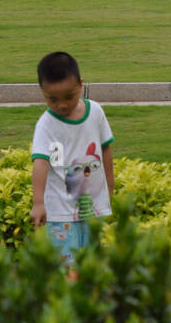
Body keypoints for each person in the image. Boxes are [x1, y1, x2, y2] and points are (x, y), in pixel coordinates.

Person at [30, 52, 115, 269]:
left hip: (94, 210)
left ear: (80, 85)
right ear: (42, 92)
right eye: (52, 99)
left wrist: (109, 188)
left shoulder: (95, 112)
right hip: (60, 213)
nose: (62, 105)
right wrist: (39, 203)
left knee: (94, 266)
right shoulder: (46, 125)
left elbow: (105, 151)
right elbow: (41, 163)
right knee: (66, 270)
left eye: (69, 97)